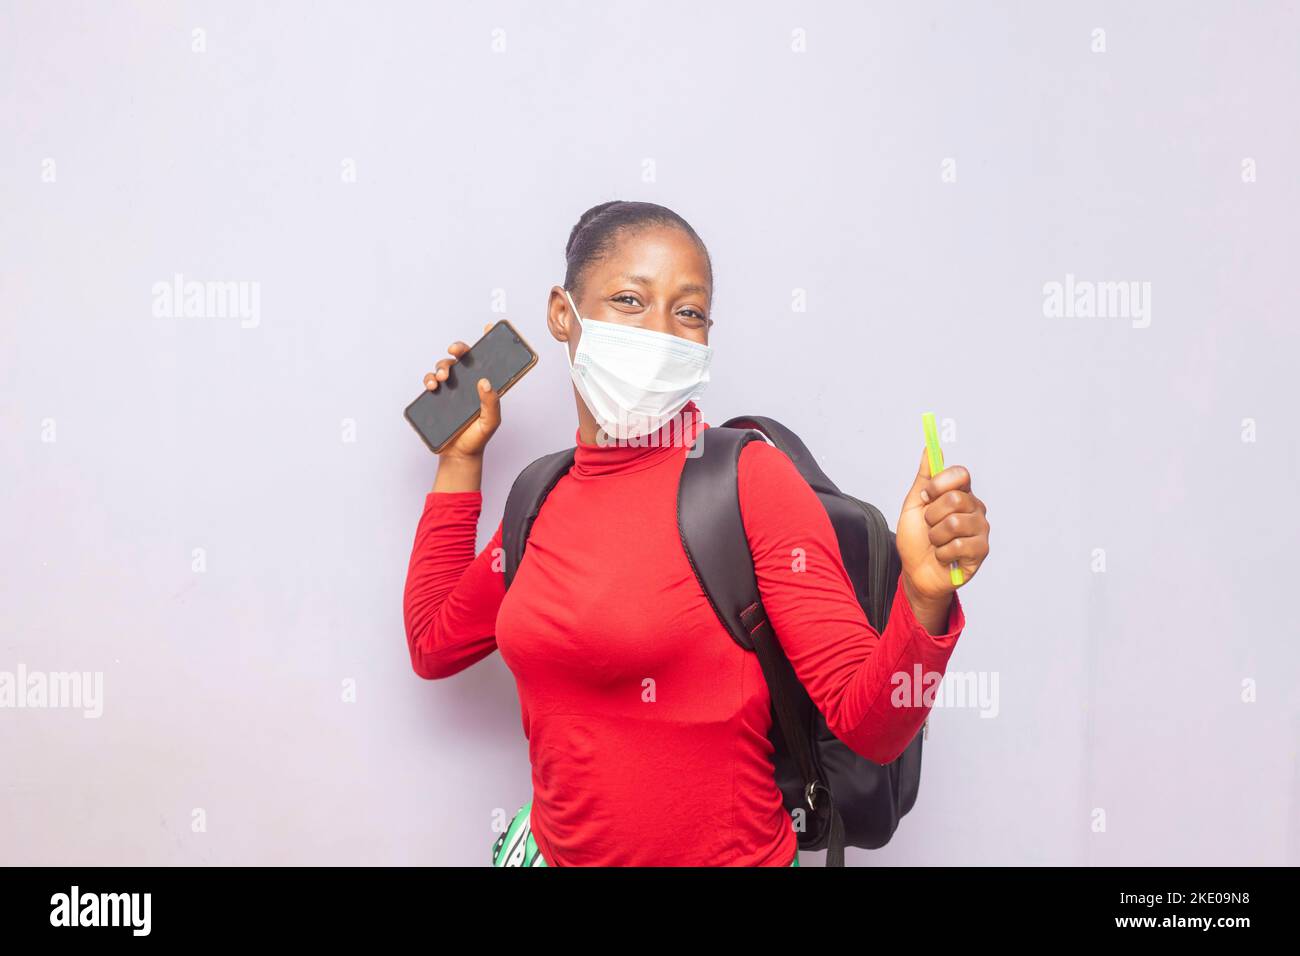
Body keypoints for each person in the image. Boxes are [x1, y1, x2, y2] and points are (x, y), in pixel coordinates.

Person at [403, 200, 991, 866]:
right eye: (630, 300)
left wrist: (923, 598)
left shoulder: (747, 483)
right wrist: (459, 461)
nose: (659, 334)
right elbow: (433, 644)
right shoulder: (540, 495)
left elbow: (871, 727)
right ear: (563, 315)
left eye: (688, 312)